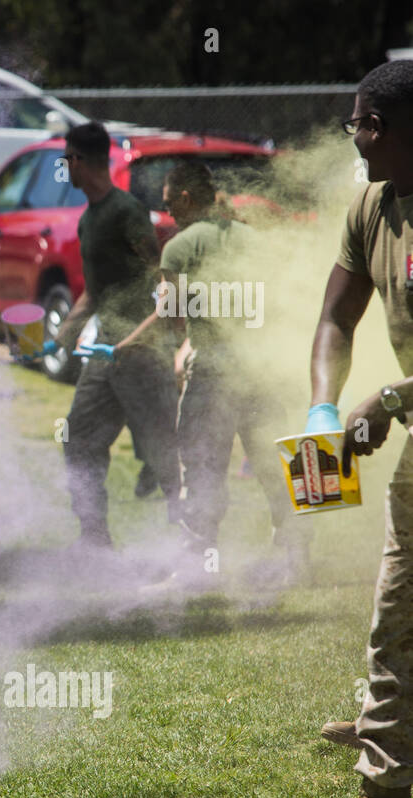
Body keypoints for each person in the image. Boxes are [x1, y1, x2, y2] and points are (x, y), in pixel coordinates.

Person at [279, 61, 413, 798]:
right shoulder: (373, 203)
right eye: (355, 123)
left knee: (398, 622)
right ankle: (387, 753)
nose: (357, 138)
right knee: (397, 617)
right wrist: (326, 405)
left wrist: (390, 402)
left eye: (370, 124)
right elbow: (336, 313)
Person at [114, 161, 306, 584]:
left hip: (214, 379)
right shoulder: (256, 240)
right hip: (261, 372)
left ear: (185, 198)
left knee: (201, 469)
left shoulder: (180, 247)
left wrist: (126, 346)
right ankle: (294, 556)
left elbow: (168, 313)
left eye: (168, 205)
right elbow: (278, 305)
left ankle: (199, 560)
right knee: (275, 469)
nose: (167, 215)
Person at [52, 121, 180, 550]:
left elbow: (158, 272)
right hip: (106, 348)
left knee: (165, 453)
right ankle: (94, 540)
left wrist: (160, 333)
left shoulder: (125, 211)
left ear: (80, 161)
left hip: (141, 350)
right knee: (78, 437)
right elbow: (96, 289)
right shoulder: (90, 220)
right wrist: (66, 331)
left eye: (66, 159)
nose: (64, 167)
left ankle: (192, 543)